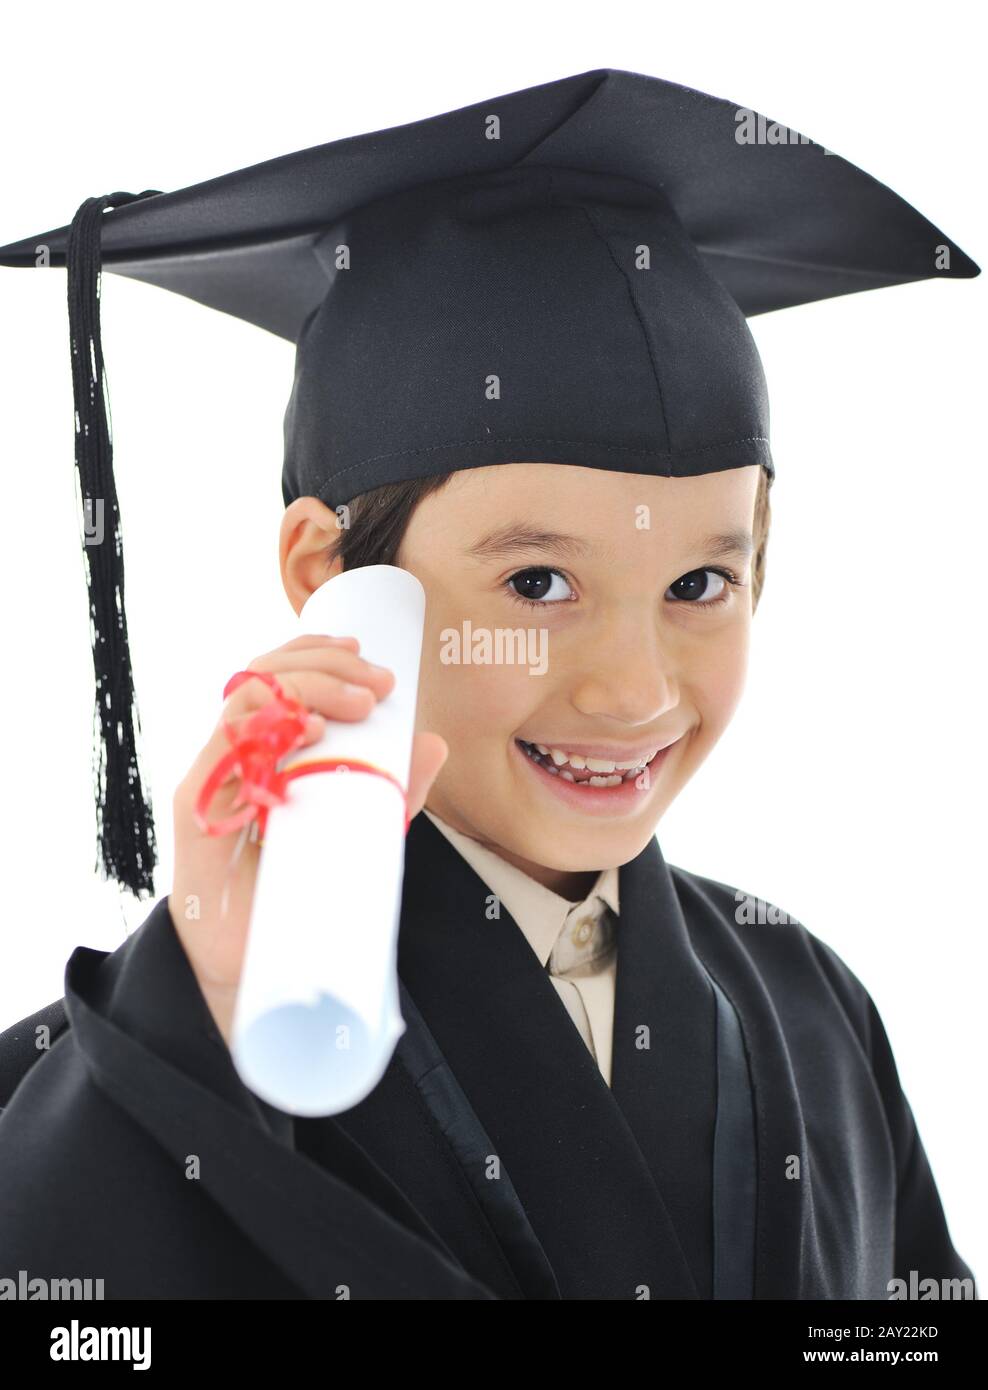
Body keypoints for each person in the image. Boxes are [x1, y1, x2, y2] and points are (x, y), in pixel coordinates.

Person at [0, 68, 977, 1300]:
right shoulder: (189, 1031)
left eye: (697, 586)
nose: (632, 695)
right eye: (535, 586)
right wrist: (189, 1043)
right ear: (331, 571)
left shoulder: (811, 1006)